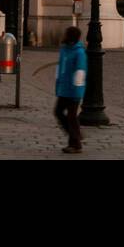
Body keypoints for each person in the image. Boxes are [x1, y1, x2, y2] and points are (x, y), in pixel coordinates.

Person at [53, 26, 87, 154]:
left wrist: (76, 91)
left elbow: (80, 72)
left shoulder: (79, 53)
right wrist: (58, 83)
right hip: (63, 88)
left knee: (72, 116)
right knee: (58, 112)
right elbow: (59, 67)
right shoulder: (64, 50)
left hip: (73, 91)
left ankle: (75, 143)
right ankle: (76, 135)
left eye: (66, 34)